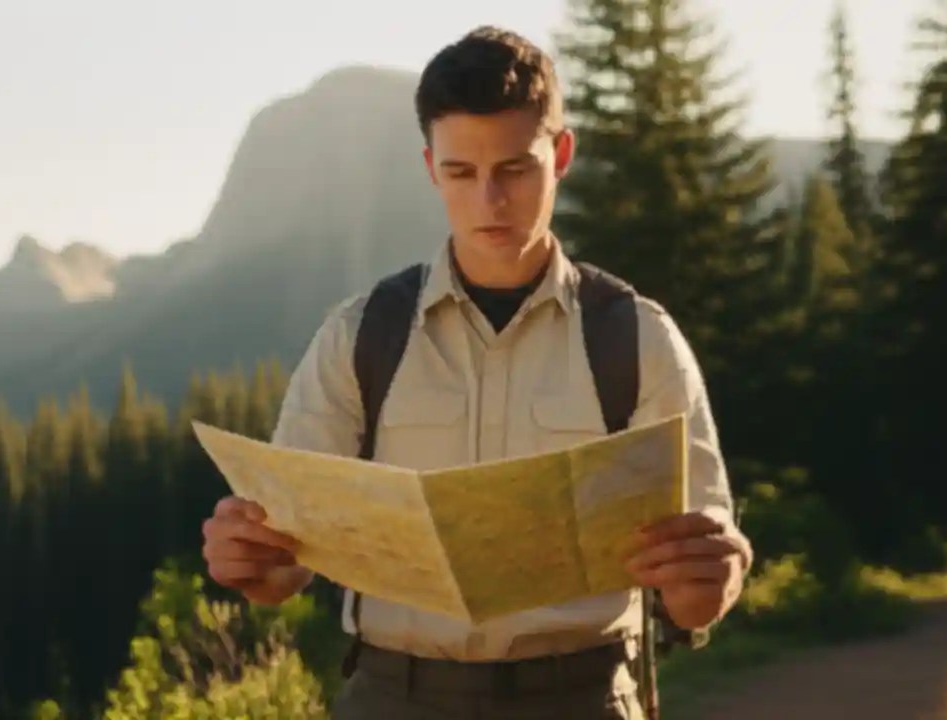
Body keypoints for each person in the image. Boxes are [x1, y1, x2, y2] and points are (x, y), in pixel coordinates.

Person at [201, 25, 752, 719]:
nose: (490, 201)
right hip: (393, 699)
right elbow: (283, 570)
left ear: (562, 154)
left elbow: (699, 584)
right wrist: (249, 561)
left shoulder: (637, 337)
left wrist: (715, 578)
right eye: (461, 172)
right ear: (431, 168)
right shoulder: (359, 336)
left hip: (583, 699)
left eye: (515, 169)